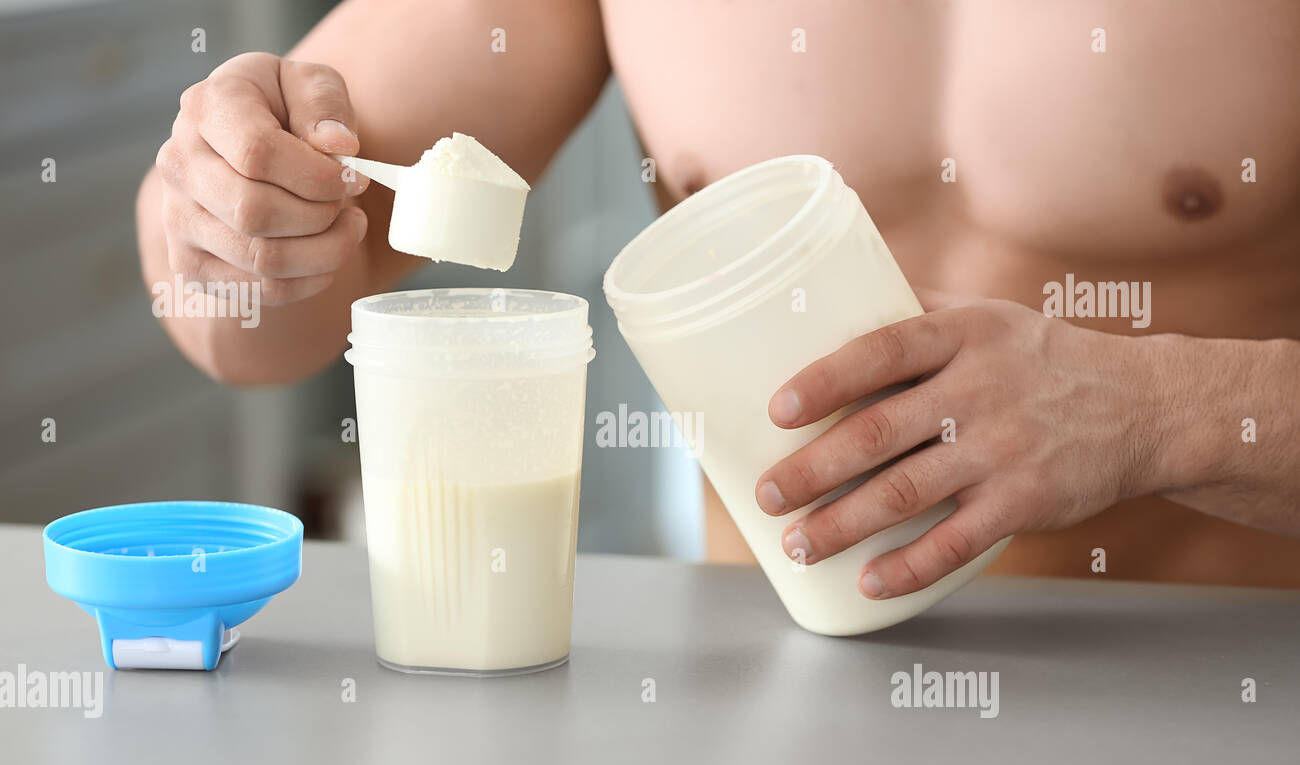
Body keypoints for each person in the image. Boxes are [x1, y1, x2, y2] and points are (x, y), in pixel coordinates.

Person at [135, 0, 1300, 597]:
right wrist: (222, 210)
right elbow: (248, 331)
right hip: (788, 720)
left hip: (1224, 714)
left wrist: (1158, 407)